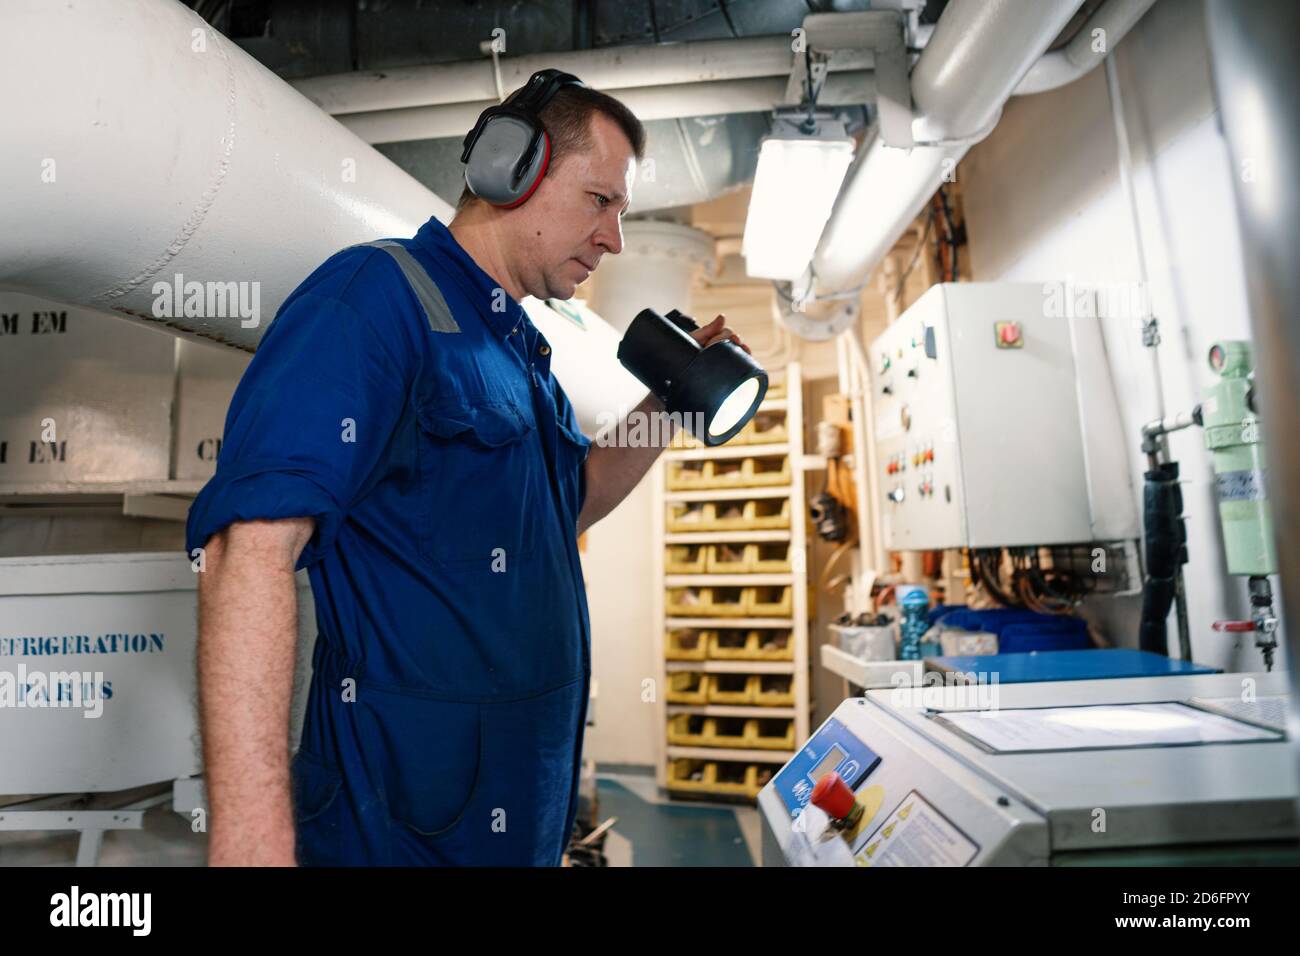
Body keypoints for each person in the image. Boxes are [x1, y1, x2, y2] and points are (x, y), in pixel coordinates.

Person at [185, 71, 750, 866]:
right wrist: (251, 847)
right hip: (398, 827)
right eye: (599, 202)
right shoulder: (374, 300)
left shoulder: (521, 352)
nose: (614, 238)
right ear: (508, 168)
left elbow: (570, 503)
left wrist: (674, 401)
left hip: (517, 812)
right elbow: (247, 551)